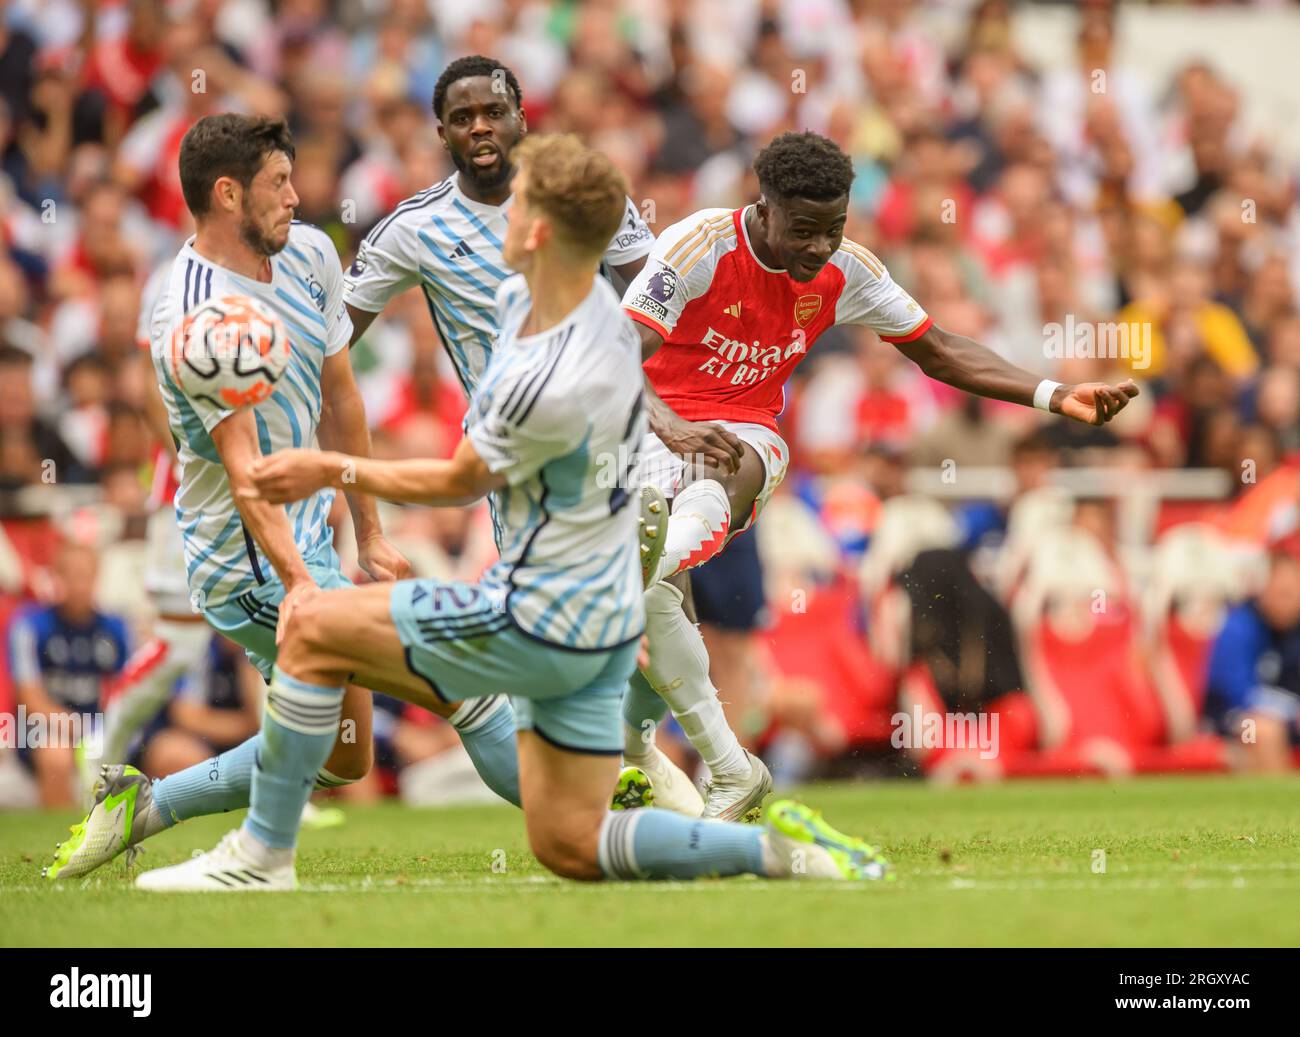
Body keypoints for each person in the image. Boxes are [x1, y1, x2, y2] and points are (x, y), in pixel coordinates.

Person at [134, 133, 890, 890]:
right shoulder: (578, 314)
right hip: (586, 620)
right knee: (573, 842)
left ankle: (260, 858)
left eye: (519, 205)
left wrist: (329, 468)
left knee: (316, 625)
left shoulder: (546, 357)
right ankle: (777, 850)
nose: (500, 215)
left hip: (537, 616)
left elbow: (460, 480)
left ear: (537, 231)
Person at [44, 113, 520, 882]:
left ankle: (147, 806)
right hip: (248, 562)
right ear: (228, 194)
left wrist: (368, 532)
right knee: (458, 681)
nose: (298, 197)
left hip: (313, 543)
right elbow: (244, 476)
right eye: (279, 184)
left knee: (345, 757)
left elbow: (342, 395)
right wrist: (302, 585)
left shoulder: (310, 253)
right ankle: (605, 828)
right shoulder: (195, 314)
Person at [620, 131, 1139, 819]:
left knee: (732, 465)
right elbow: (622, 350)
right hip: (648, 425)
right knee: (660, 607)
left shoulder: (847, 271)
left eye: (832, 230)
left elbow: (939, 349)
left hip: (743, 436)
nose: (817, 247)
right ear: (763, 205)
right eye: (802, 230)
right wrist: (667, 424)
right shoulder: (698, 246)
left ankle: (658, 554)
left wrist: (1052, 395)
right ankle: (702, 758)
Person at [343, 55, 710, 815]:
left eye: (494, 111)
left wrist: (665, 404)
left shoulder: (580, 192)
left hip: (614, 434)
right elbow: (328, 344)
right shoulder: (414, 228)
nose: (481, 126)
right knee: (562, 640)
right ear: (442, 130)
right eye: (463, 116)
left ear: (520, 115)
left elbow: (649, 299)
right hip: (518, 461)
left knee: (655, 591)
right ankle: (611, 788)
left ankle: (652, 767)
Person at [8, 540, 128, 806]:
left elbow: (128, 690)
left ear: (97, 578)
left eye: (85, 576)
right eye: (70, 576)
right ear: (55, 578)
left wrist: (104, 730)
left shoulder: (116, 628)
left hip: (99, 729)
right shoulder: (30, 625)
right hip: (41, 731)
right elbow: (30, 698)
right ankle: (61, 840)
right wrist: (79, 728)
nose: (78, 585)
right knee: (56, 755)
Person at [1205, 533, 1300, 772]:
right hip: (1235, 722)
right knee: (1262, 730)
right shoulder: (1239, 626)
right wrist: (1290, 713)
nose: (1287, 601)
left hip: (1289, 723)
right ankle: (1282, 806)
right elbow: (1236, 695)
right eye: (1282, 591)